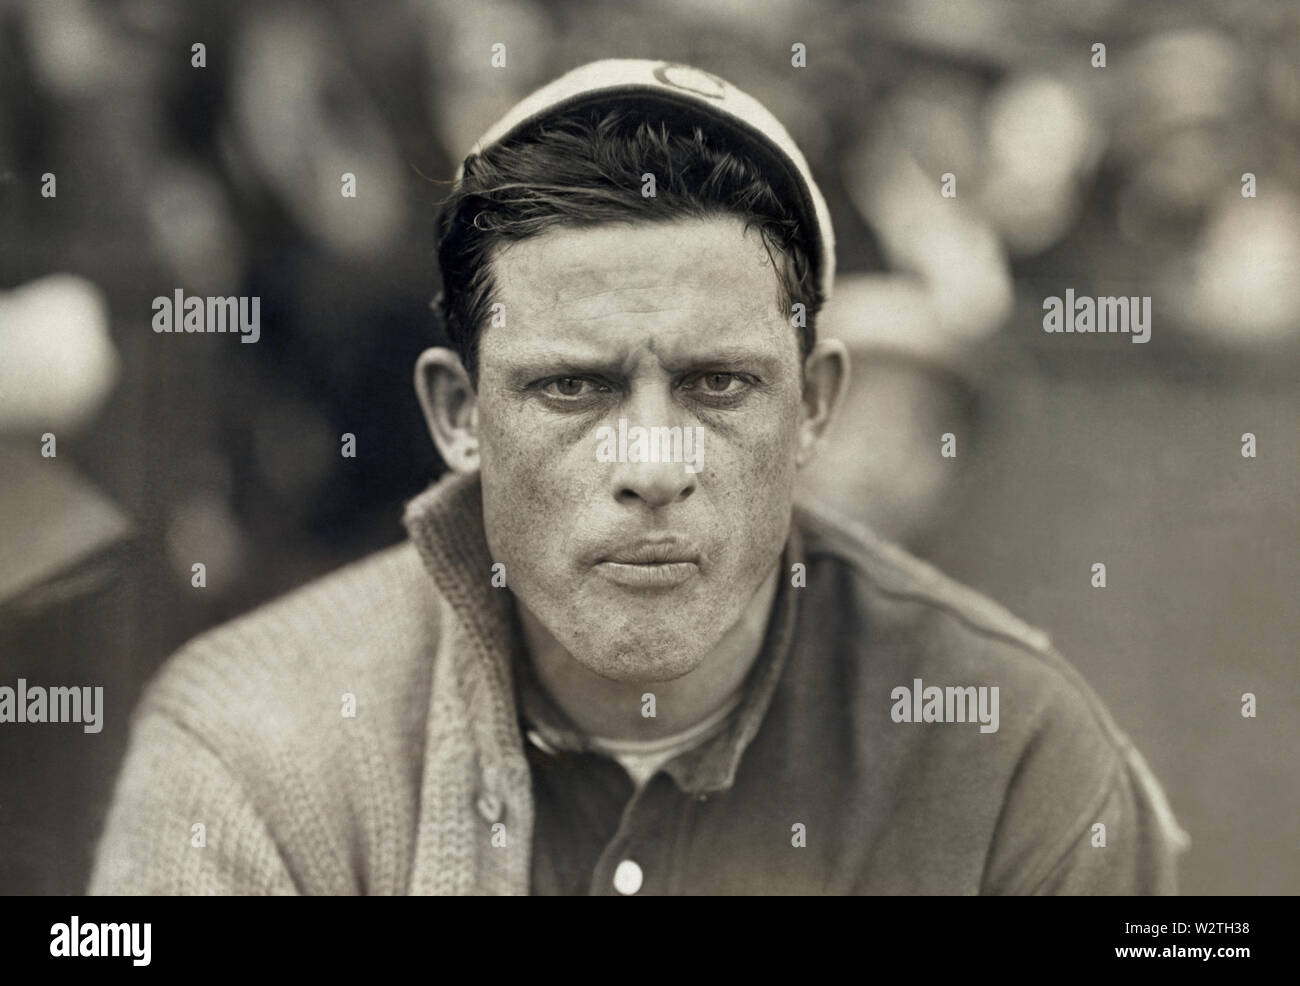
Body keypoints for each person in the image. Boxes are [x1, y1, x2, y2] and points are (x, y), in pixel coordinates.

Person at [90, 59, 1188, 895]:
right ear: (458, 415)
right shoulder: (250, 739)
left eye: (717, 384)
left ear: (811, 406)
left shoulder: (1016, 752)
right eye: (572, 386)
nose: (652, 464)